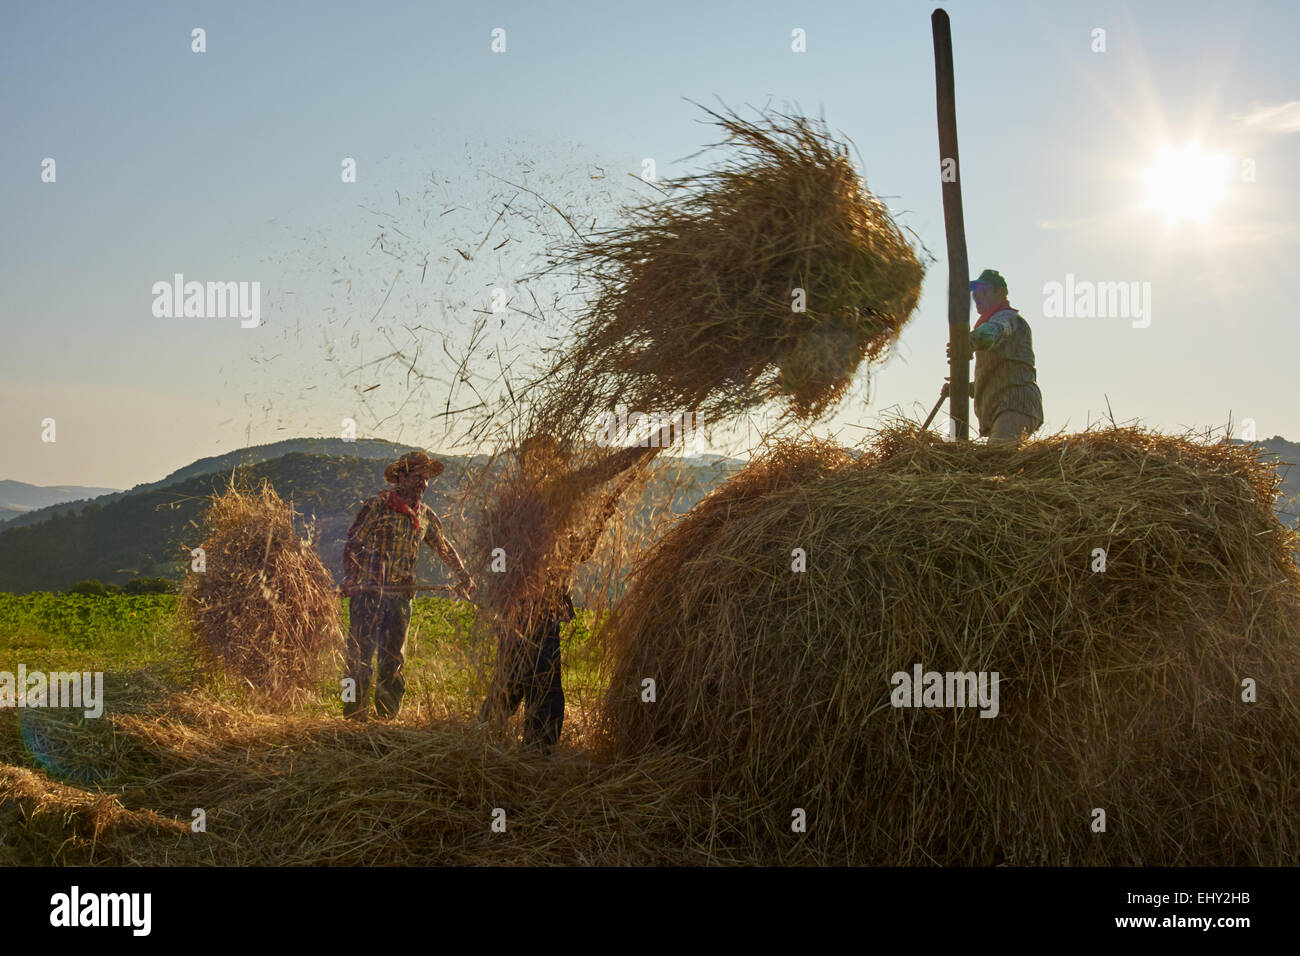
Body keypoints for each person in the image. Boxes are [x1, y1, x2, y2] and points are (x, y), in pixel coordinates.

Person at [478, 432, 659, 753]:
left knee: (523, 680)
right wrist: (647, 445)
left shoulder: (555, 504)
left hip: (543, 611)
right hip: (523, 610)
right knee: (529, 682)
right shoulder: (524, 505)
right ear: (528, 463)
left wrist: (603, 515)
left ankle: (507, 742)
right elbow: (605, 469)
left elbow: (580, 552)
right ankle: (520, 747)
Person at [341, 451, 475, 721]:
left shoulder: (424, 515)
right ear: (400, 478)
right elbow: (353, 544)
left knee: (393, 661)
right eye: (417, 477)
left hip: (401, 597)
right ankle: (352, 718)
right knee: (359, 659)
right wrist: (352, 577)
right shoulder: (376, 507)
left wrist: (463, 575)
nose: (423, 484)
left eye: (426, 479)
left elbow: (443, 547)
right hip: (368, 594)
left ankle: (386, 719)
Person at [967, 269, 1044, 444]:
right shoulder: (987, 323)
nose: (977, 297)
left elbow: (992, 333)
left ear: (1001, 292)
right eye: (975, 294)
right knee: (995, 459)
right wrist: (961, 388)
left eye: (984, 292)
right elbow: (995, 379)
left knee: (995, 457)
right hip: (1003, 405)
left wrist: (967, 342)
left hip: (1015, 403)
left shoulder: (1007, 318)